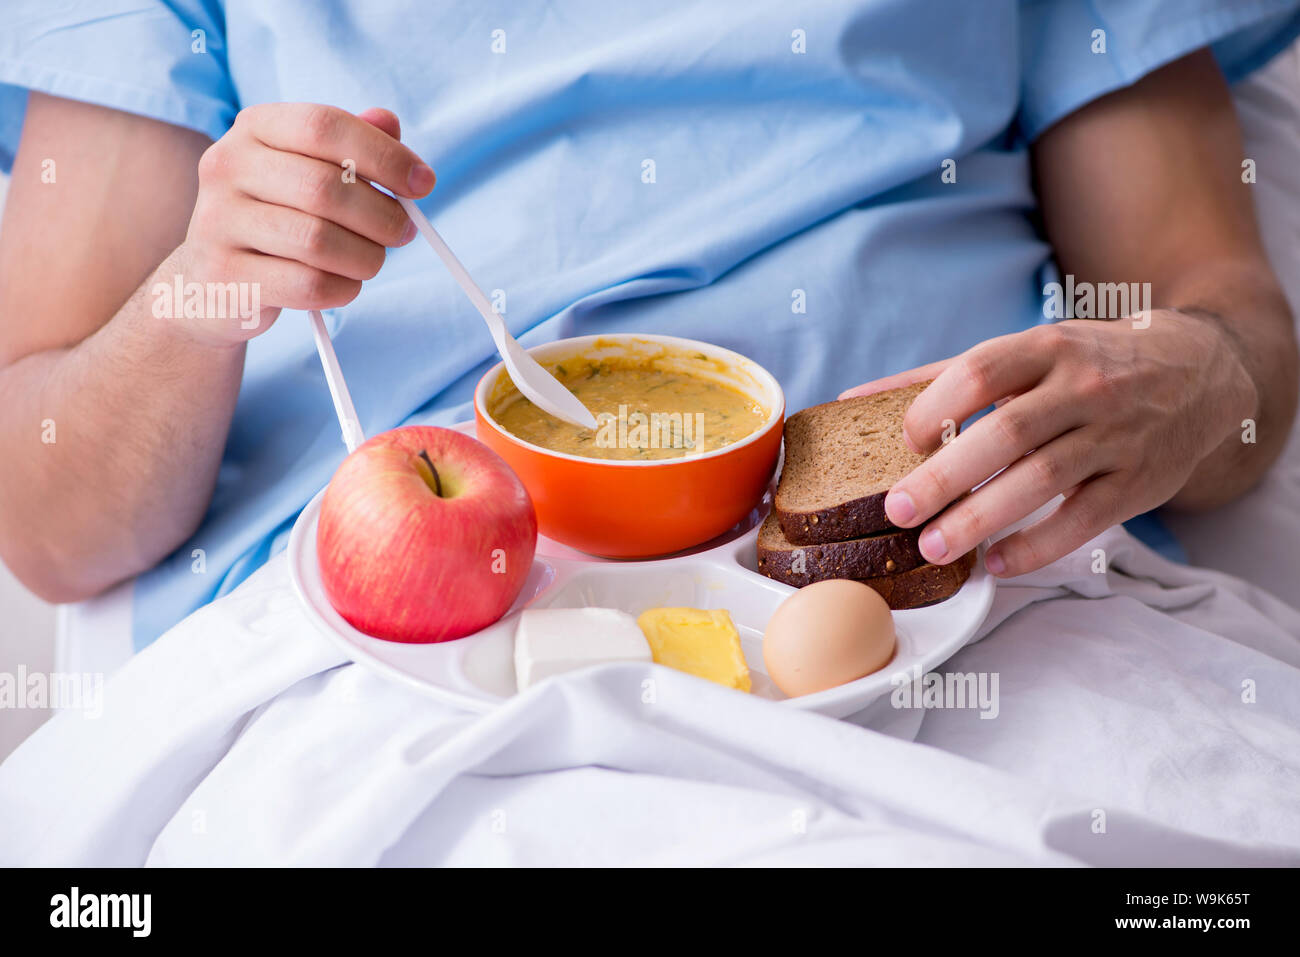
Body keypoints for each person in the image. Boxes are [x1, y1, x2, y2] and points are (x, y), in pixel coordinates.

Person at [0, 1, 1297, 651]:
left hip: (980, 605)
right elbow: (46, 515)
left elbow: (1226, 330)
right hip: (414, 660)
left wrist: (1182, 375)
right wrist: (204, 285)